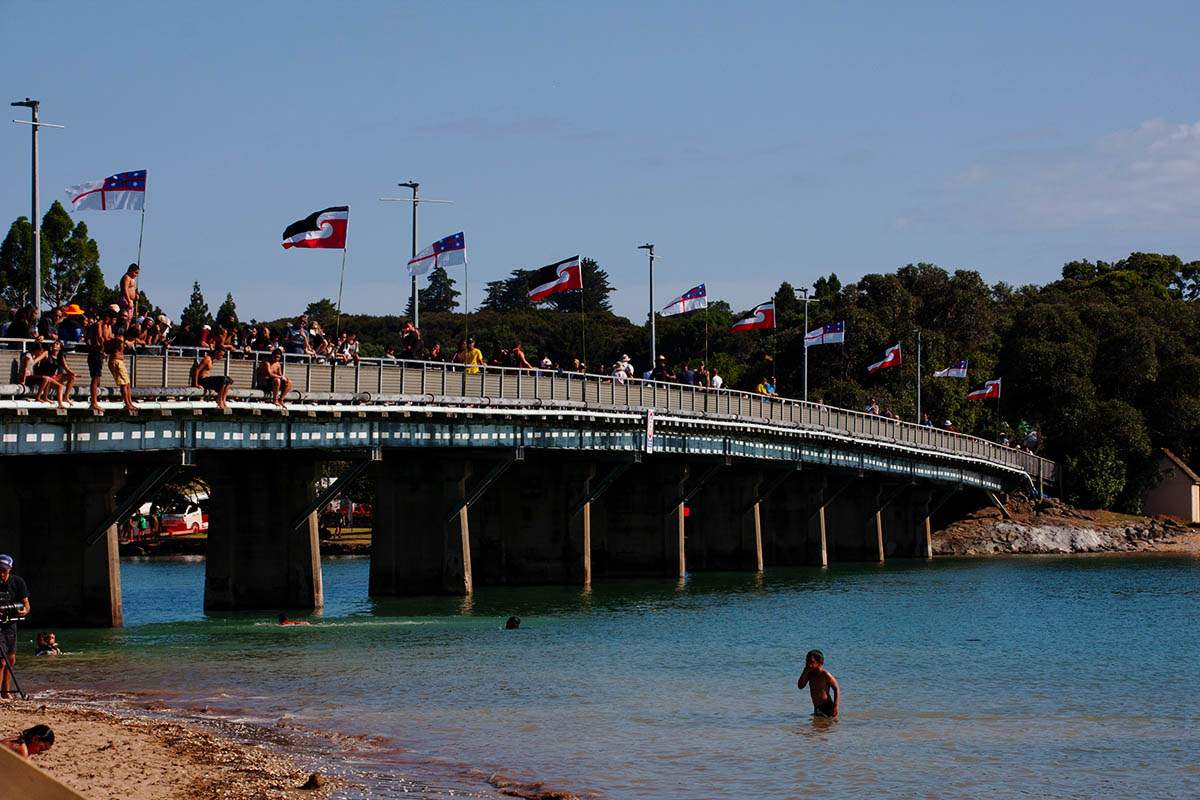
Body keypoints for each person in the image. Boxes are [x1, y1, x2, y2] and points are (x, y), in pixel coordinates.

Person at [0, 554, 30, 699]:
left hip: (10, 625)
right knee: (0, 661)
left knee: (10, 659)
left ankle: (5, 691)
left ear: (9, 569)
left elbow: (26, 604)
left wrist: (24, 610)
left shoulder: (17, 582)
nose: (1, 573)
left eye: (3, 570)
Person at [797, 648, 840, 718]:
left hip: (827, 706)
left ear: (820, 663)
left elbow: (836, 689)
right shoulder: (809, 674)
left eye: (811, 662)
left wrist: (836, 706)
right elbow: (800, 686)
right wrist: (804, 671)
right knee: (817, 726)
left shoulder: (825, 674)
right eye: (807, 661)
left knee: (827, 726)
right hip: (817, 707)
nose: (808, 664)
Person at [191, 342, 233, 411]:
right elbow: (197, 370)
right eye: (220, 355)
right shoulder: (207, 359)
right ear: (216, 352)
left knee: (229, 380)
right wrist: (196, 384)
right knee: (224, 379)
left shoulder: (212, 359)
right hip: (203, 380)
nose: (221, 357)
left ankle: (223, 400)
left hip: (207, 381)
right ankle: (219, 400)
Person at [106, 327, 139, 411]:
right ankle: (127, 403)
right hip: (116, 361)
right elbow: (113, 341)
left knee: (127, 383)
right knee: (123, 384)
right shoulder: (120, 339)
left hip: (120, 362)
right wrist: (126, 342)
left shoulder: (125, 340)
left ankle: (130, 402)